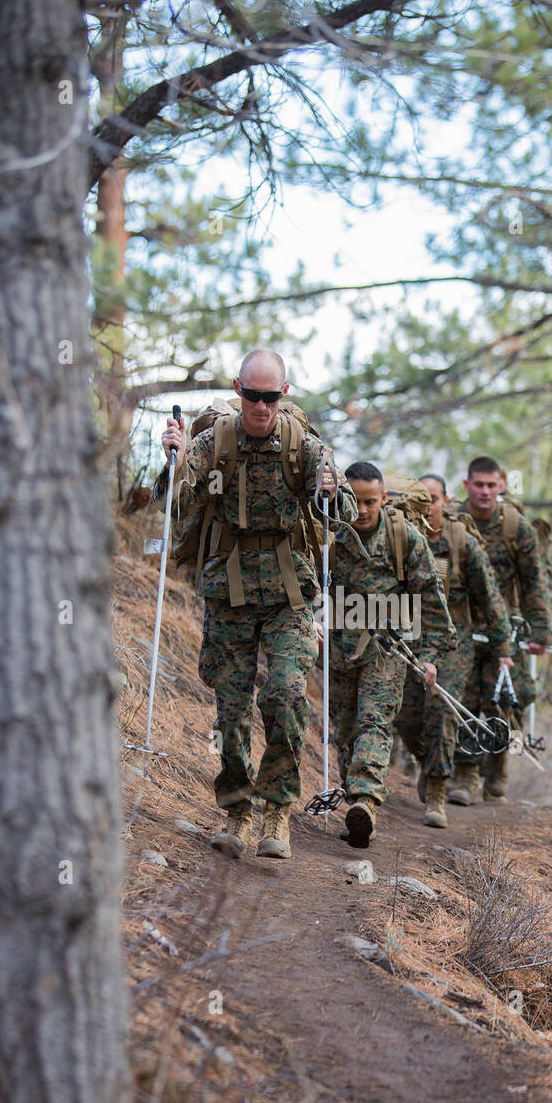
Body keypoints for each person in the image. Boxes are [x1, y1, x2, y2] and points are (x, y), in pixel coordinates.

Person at [155, 348, 356, 859]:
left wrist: (330, 491)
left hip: (290, 592)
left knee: (286, 697)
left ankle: (278, 812)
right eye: (251, 395)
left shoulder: (305, 446)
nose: (260, 406)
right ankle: (237, 810)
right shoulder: (213, 442)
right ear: (238, 390)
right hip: (230, 590)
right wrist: (173, 461)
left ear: (283, 395)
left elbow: (344, 515)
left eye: (270, 396)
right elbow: (177, 504)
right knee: (231, 708)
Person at [327, 463, 456, 848]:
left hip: (388, 649)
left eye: (371, 502)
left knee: (375, 721)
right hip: (340, 648)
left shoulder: (406, 540)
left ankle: (366, 800)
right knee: (346, 729)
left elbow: (434, 606)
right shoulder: (329, 535)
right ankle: (355, 808)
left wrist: (430, 656)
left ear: (384, 499)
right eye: (356, 501)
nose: (363, 510)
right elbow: (305, 584)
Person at [395, 474, 513, 827]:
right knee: (406, 715)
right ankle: (426, 761)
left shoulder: (461, 541)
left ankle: (436, 790)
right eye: (420, 499)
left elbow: (491, 599)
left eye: (432, 499)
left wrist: (501, 647)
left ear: (446, 501)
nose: (426, 506)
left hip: (453, 639)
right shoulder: (402, 538)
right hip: (409, 637)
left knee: (442, 710)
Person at [449, 455, 551, 804]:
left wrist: (540, 630)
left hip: (503, 626)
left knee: (502, 698)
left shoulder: (516, 527)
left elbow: (534, 581)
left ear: (502, 486)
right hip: (460, 622)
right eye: (479, 484)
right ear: (467, 485)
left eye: (492, 485)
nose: (485, 492)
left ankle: (499, 762)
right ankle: (464, 774)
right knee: (463, 698)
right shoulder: (452, 520)